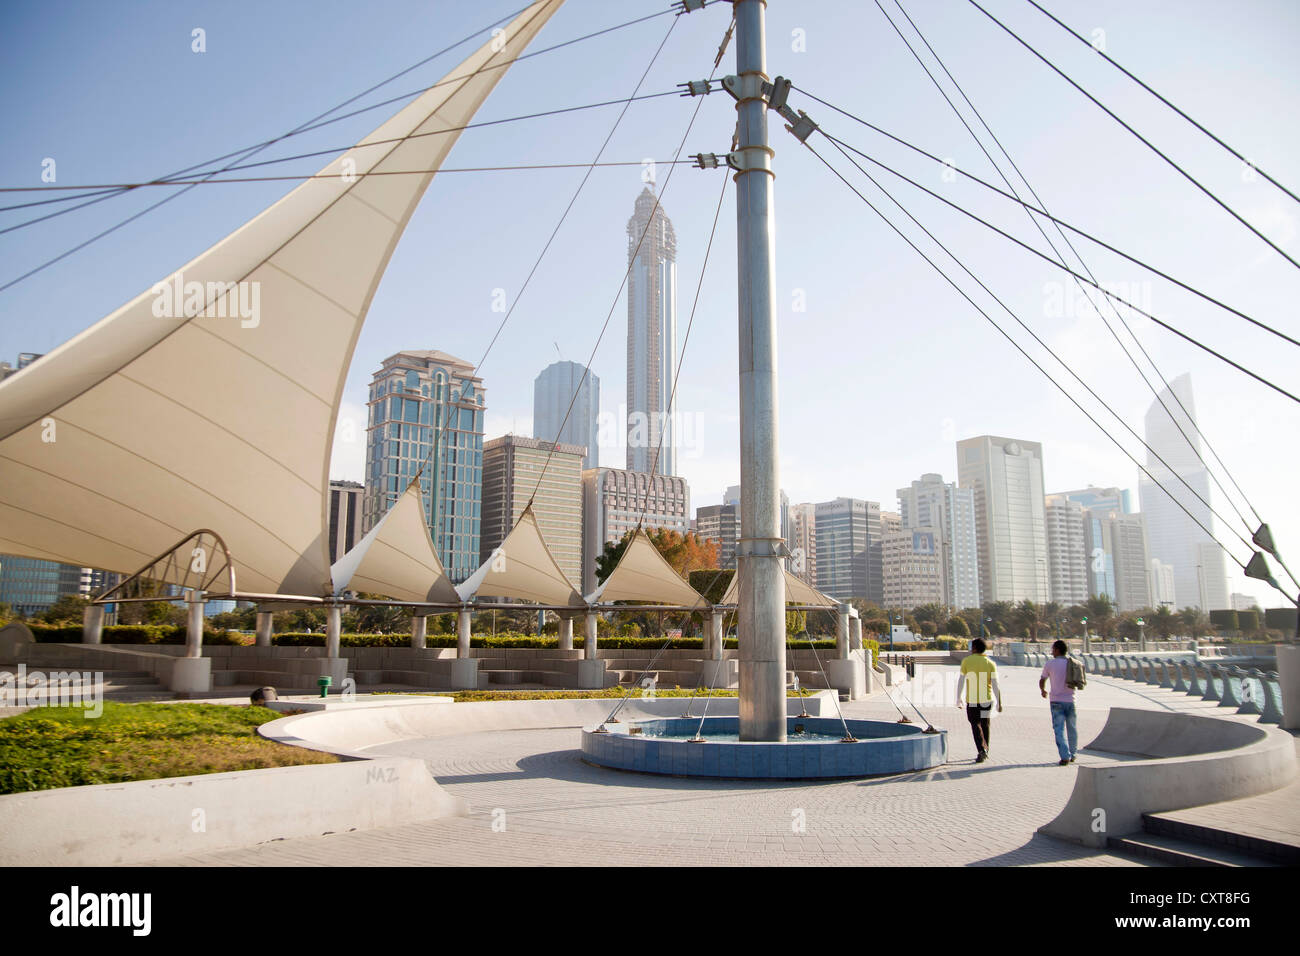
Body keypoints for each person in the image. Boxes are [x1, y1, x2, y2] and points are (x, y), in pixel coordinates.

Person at [956, 637, 1002, 762]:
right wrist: (999, 701)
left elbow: (961, 680)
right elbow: (995, 683)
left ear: (975, 648)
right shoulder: (990, 663)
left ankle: (982, 750)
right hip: (987, 700)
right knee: (985, 724)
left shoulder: (966, 661)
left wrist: (958, 697)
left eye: (972, 647)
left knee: (975, 724)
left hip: (972, 701)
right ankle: (985, 750)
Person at [1039, 639, 1078, 765]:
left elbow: (1042, 679)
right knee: (1072, 728)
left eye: (1053, 649)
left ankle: (1064, 756)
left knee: (1059, 729)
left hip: (1056, 701)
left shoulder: (1050, 664)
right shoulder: (1071, 663)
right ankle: (1073, 754)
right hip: (1070, 700)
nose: (1052, 652)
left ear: (1057, 650)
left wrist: (1043, 690)